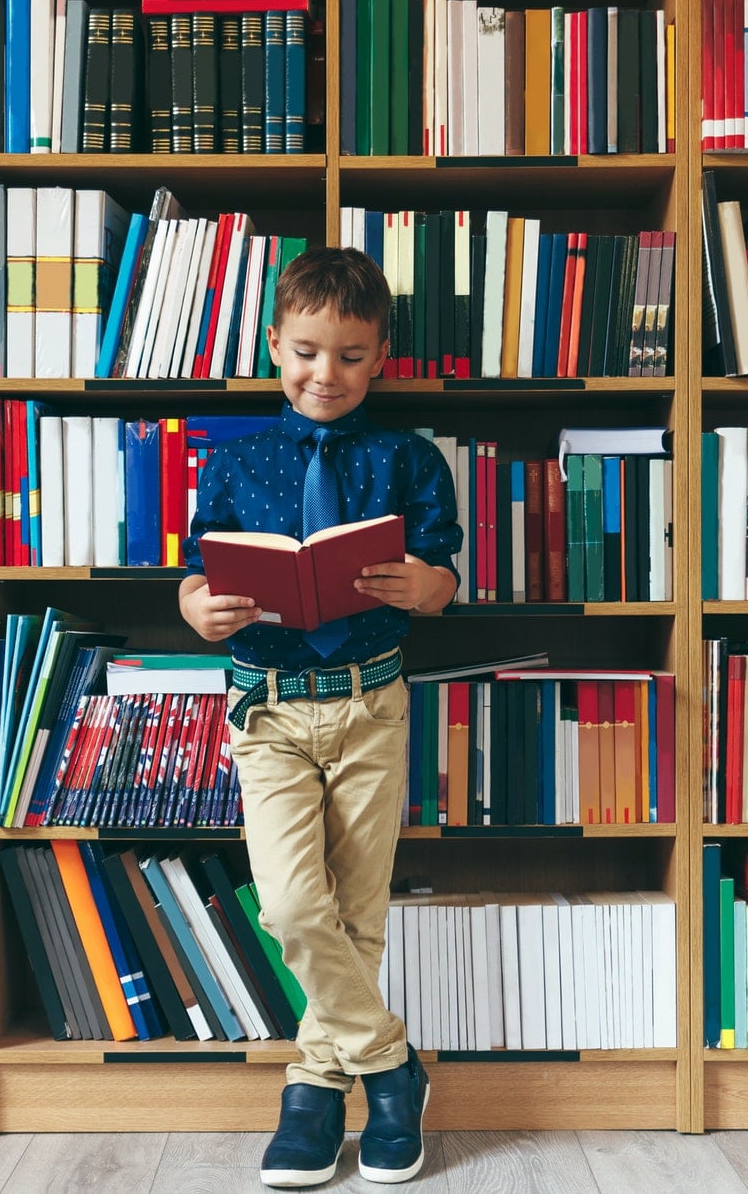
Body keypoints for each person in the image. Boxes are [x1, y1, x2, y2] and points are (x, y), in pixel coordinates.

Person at [179, 247, 461, 1187]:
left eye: (348, 354)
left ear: (381, 353)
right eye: (306, 351)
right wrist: (196, 607)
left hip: (372, 703)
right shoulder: (233, 462)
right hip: (267, 711)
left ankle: (312, 1088)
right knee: (296, 906)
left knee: (357, 913)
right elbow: (194, 571)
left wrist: (426, 584)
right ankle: (390, 1064)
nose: (324, 374)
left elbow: (444, 576)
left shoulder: (408, 458)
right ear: (274, 346)